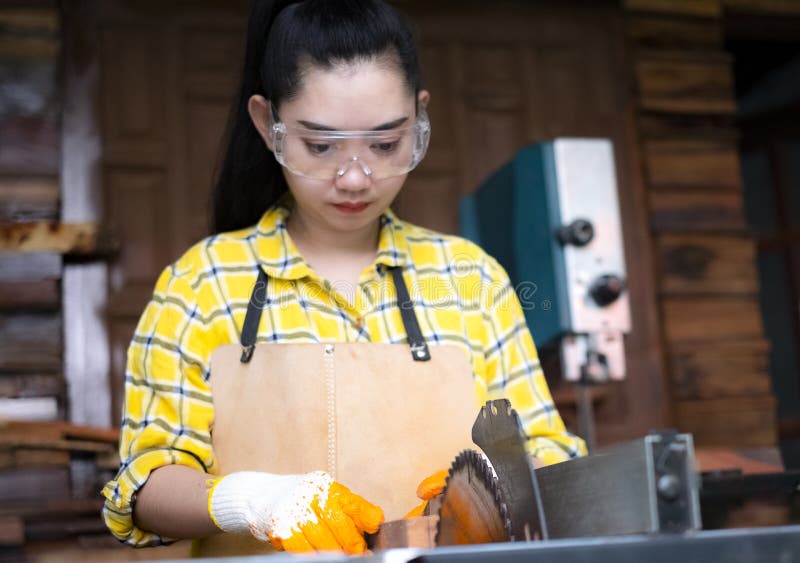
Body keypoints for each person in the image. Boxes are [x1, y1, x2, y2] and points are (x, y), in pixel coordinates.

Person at [101, 0, 586, 556]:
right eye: (321, 145)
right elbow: (142, 487)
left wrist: (496, 488)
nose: (355, 177)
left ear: (419, 119)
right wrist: (253, 501)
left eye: (384, 144)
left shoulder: (471, 279)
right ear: (267, 125)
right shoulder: (202, 283)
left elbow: (550, 453)